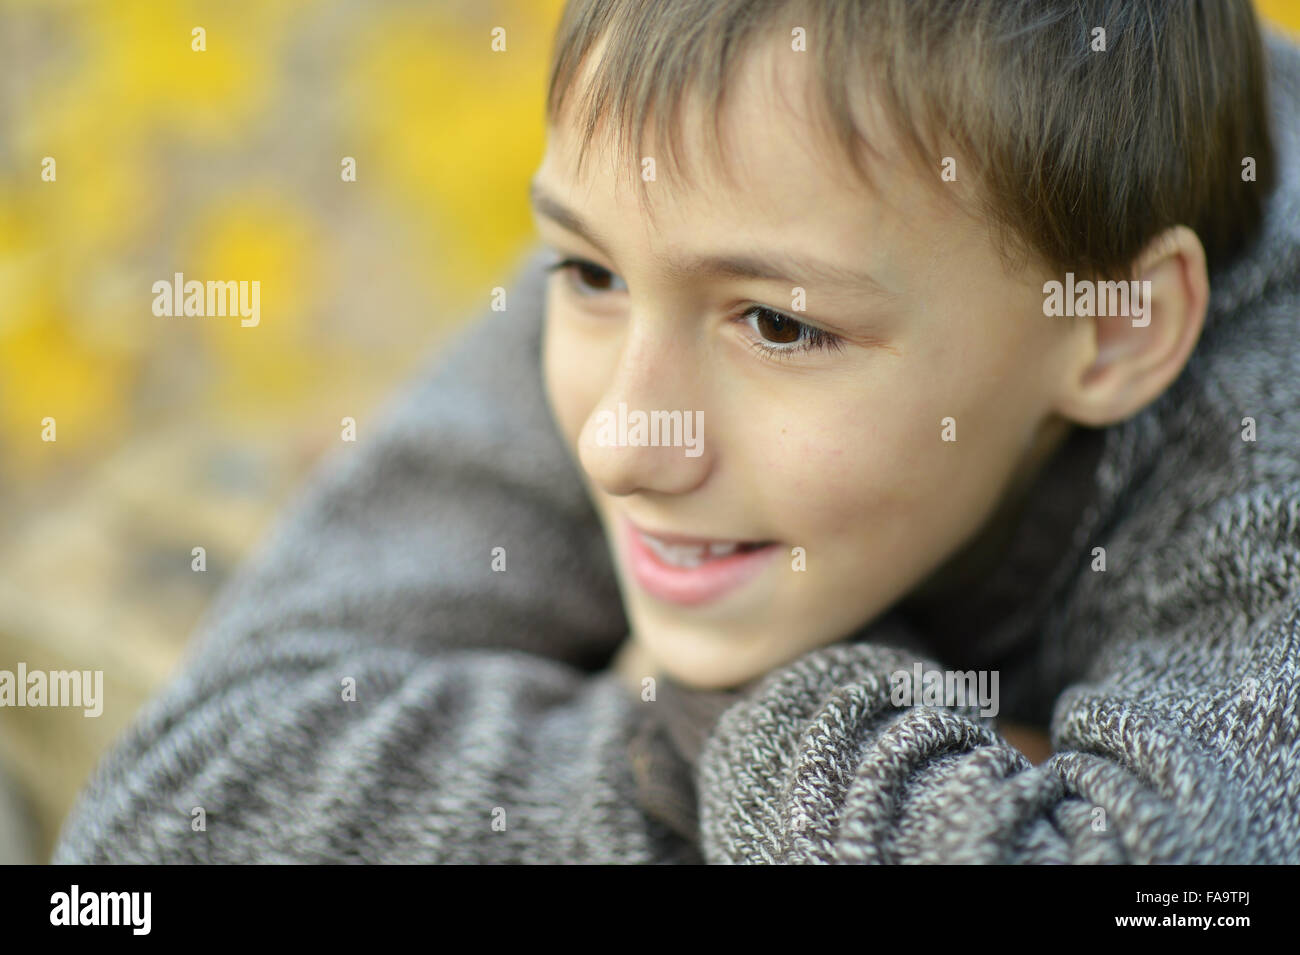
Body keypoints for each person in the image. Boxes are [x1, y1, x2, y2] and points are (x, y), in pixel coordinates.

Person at [55, 0, 1300, 863]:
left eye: (777, 326)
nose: (620, 446)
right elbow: (180, 809)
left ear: (1119, 328)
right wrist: (730, 746)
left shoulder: (1262, 433)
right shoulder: (696, 195)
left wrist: (749, 715)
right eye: (584, 274)